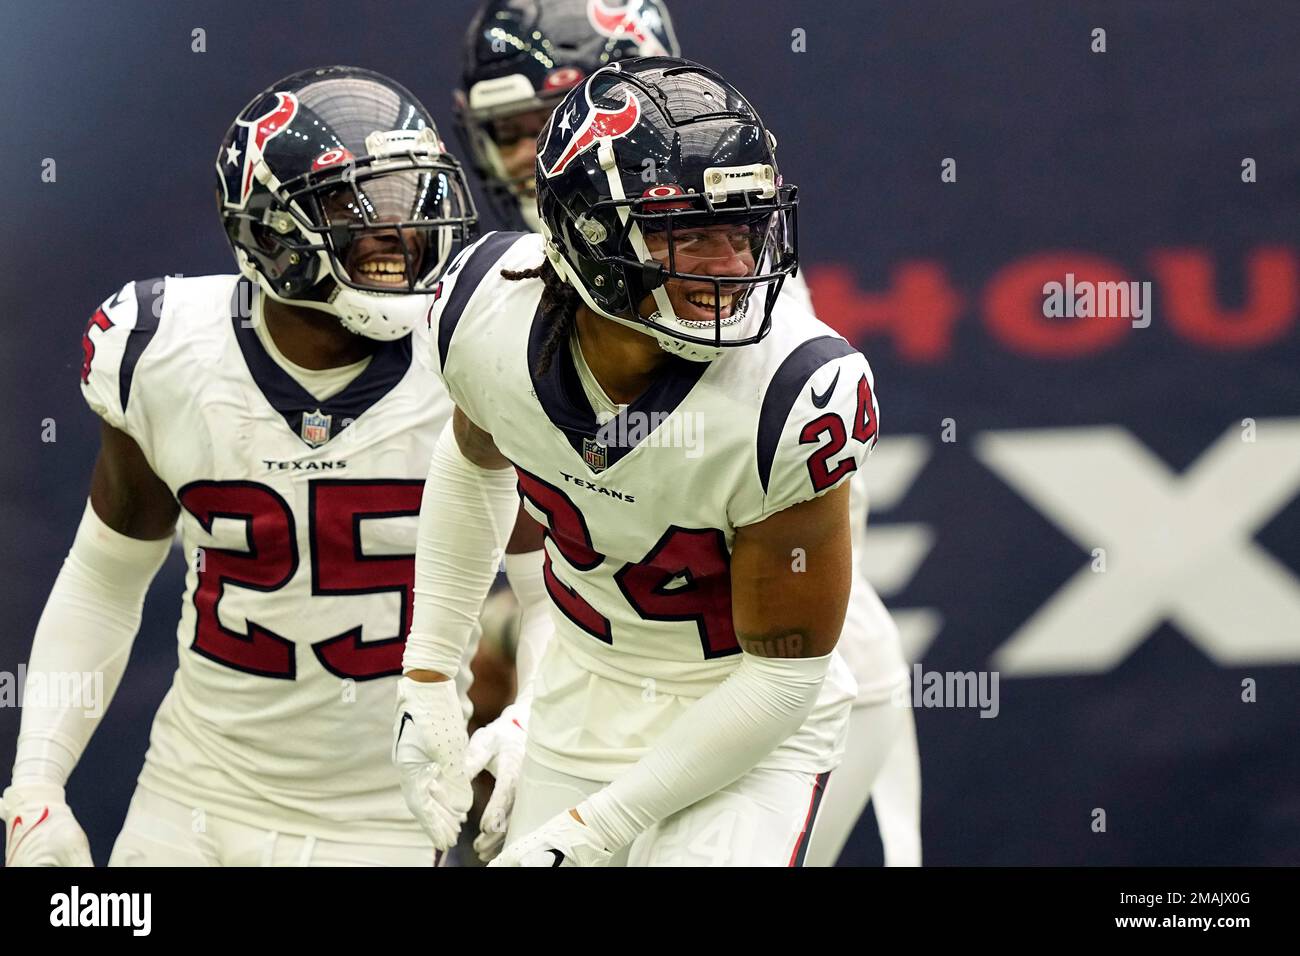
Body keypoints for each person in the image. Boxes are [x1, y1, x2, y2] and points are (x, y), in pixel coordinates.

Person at [0, 65, 527, 867]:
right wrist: (37, 784)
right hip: (194, 799)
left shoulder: (475, 348)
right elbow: (105, 576)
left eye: (408, 199)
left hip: (389, 818)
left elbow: (551, 590)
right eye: (358, 205)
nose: (397, 230)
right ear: (269, 230)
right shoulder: (164, 349)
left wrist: (532, 720)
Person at [451, 0, 921, 866]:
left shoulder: (729, 314)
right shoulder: (526, 283)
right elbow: (531, 494)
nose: (525, 152)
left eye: (545, 119)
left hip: (772, 672)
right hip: (623, 664)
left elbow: (658, 513)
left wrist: (538, 694)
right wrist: (525, 681)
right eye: (509, 127)